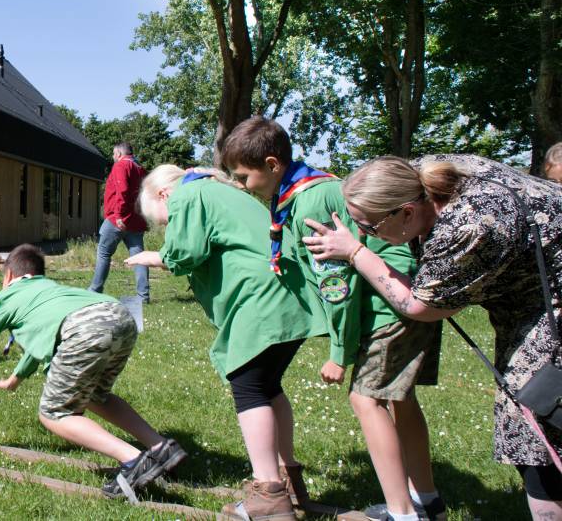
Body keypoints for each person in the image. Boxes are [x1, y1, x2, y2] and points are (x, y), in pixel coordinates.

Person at [304, 154, 562, 520]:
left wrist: (356, 253)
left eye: (371, 227)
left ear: (407, 213)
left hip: (550, 308)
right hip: (530, 302)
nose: (364, 234)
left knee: (537, 428)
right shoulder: (421, 172)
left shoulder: (471, 225)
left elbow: (420, 306)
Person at [223, 118, 443, 521]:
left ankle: (402, 513)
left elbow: (336, 286)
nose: (240, 185)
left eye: (243, 176)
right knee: (399, 400)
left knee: (367, 401)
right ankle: (426, 501)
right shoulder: (308, 189)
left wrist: (338, 354)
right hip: (399, 300)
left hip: (384, 309)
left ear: (272, 165)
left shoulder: (310, 202)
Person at [0, 243, 187, 501]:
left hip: (85, 327)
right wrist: (14, 379)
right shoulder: (48, 288)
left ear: (8, 275)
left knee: (54, 413)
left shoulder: (9, 295)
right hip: (120, 316)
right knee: (96, 395)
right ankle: (160, 446)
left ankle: (132, 460)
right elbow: (40, 339)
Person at [127, 165, 319, 520]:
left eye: (164, 222)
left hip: (260, 299)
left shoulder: (187, 195)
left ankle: (270, 493)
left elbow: (186, 253)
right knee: (268, 386)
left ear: (163, 195)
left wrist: (154, 257)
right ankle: (288, 477)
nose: (167, 228)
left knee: (248, 388)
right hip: (289, 295)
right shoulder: (224, 191)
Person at [90, 143, 149, 303]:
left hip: (118, 219)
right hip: (136, 220)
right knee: (139, 258)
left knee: (103, 253)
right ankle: (143, 297)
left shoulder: (121, 166)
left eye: (114, 155)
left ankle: (94, 292)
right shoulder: (139, 168)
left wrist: (119, 215)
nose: (113, 158)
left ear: (119, 153)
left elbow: (122, 191)